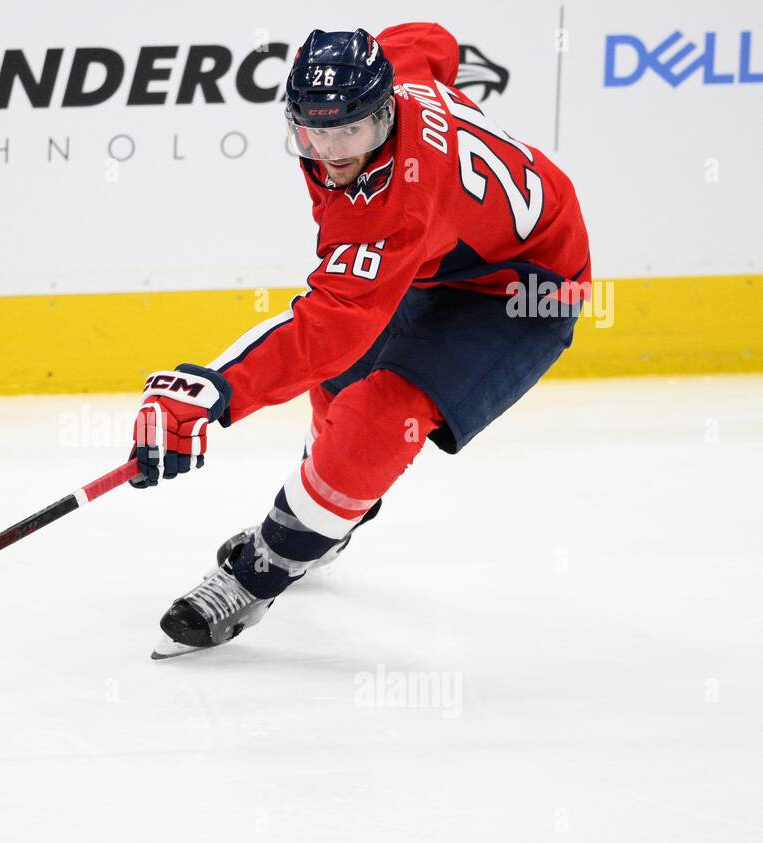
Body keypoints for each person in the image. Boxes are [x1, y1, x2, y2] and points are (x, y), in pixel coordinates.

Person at [128, 24, 592, 659]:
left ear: (385, 112)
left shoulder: (394, 207)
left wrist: (213, 389)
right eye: (312, 129)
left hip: (526, 288)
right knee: (336, 388)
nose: (330, 151)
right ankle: (330, 520)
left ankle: (261, 570)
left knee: (375, 420)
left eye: (352, 130)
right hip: (446, 253)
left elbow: (329, 325)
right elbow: (432, 40)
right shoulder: (385, 69)